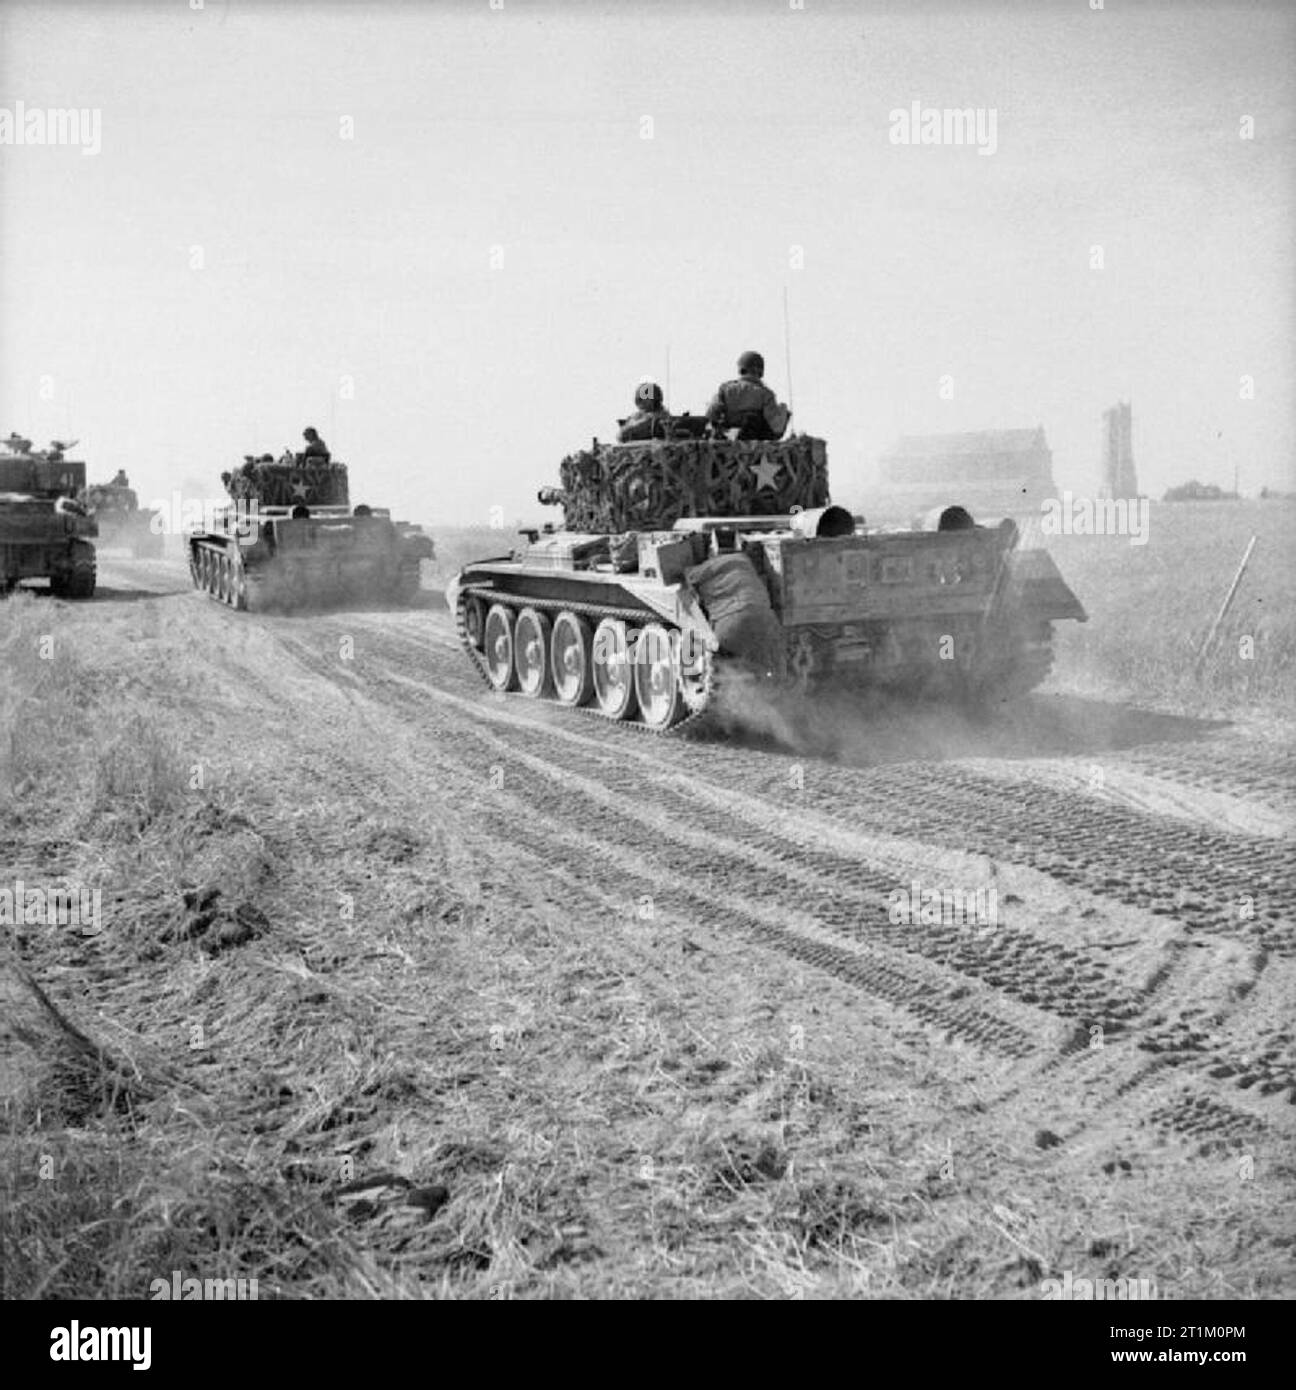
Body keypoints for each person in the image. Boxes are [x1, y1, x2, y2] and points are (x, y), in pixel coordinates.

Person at [706, 351, 790, 441]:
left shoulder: (725, 389)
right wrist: (783, 412)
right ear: (761, 371)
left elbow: (711, 413)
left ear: (740, 368)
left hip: (728, 437)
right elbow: (776, 427)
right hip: (755, 440)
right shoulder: (765, 394)